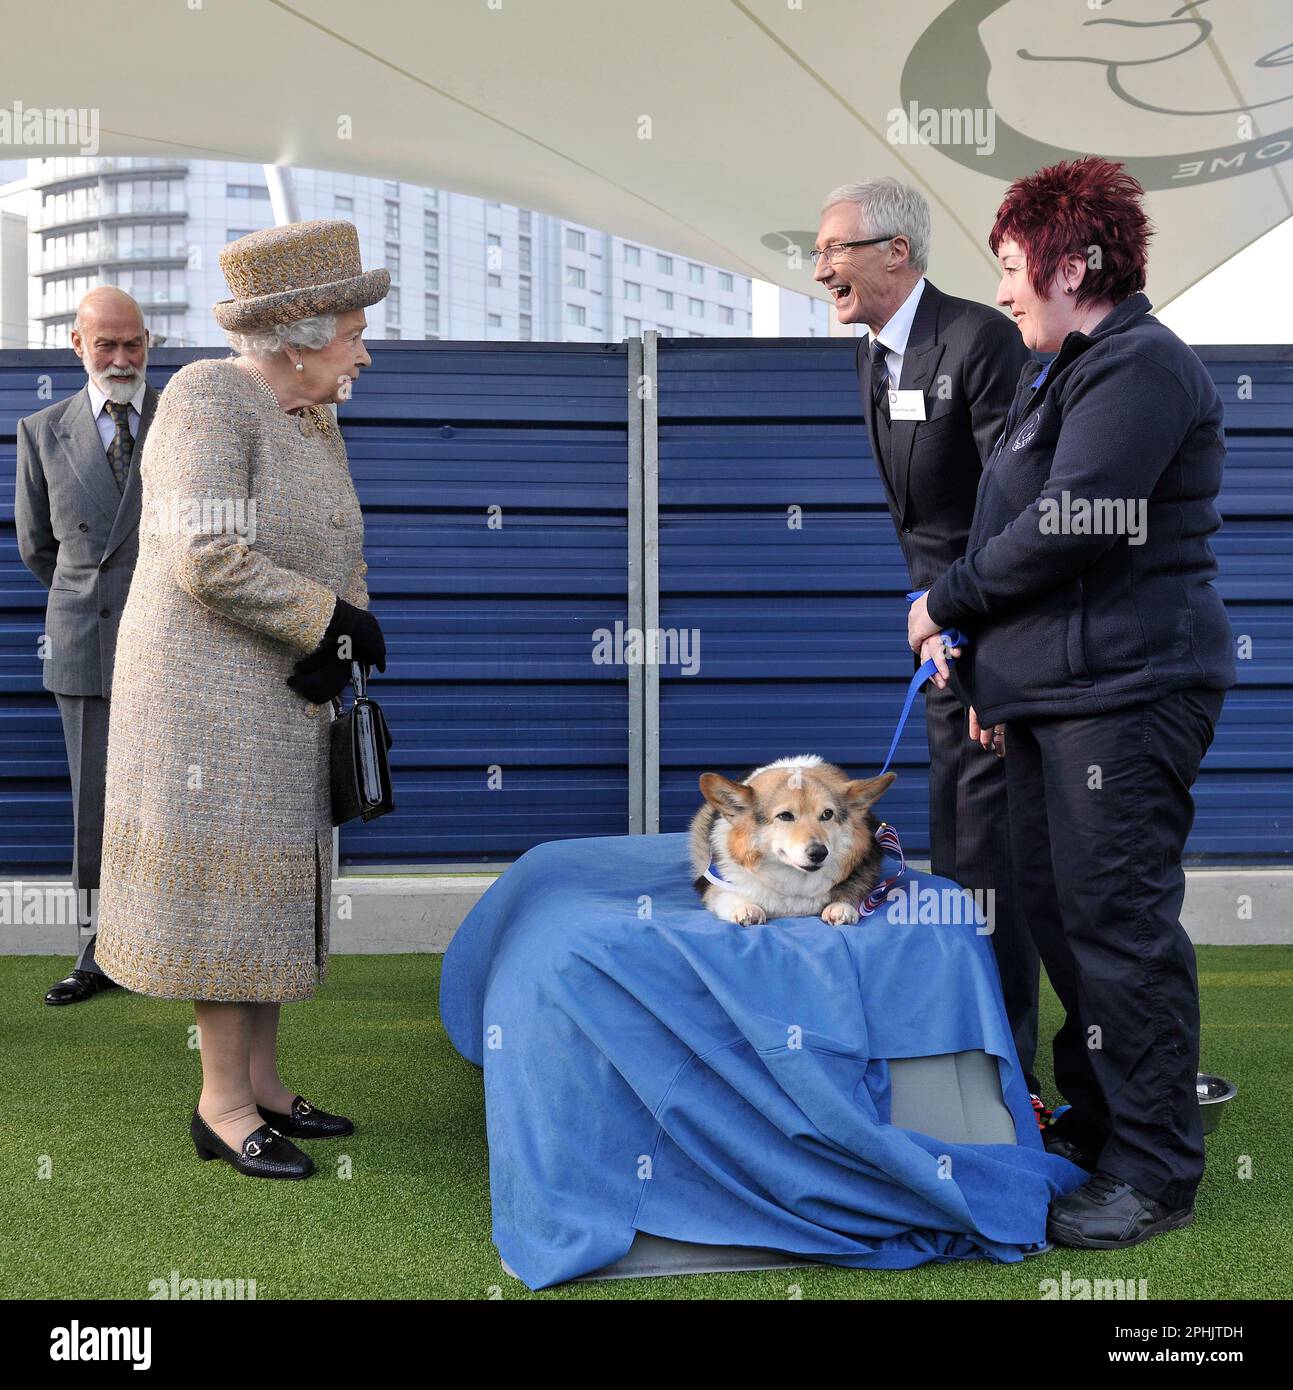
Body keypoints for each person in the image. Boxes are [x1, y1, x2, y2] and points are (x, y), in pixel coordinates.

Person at [909, 157, 1235, 1248]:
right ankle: (1101, 1123)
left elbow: (1074, 524)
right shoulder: (1069, 372)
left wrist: (945, 598)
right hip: (1063, 698)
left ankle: (1157, 1170)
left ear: (1072, 263)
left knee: (1116, 923)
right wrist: (998, 676)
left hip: (1131, 695)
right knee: (1058, 914)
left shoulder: (1141, 367)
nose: (1002, 292)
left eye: (1011, 268)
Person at [94, 220, 390, 1180]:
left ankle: (260, 1081)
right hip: (207, 698)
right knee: (230, 889)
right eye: (351, 328)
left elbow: (333, 546)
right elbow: (205, 555)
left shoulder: (312, 413)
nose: (363, 349)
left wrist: (339, 638)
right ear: (298, 335)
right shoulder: (208, 397)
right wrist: (329, 625)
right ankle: (219, 1106)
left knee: (272, 885)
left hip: (279, 685)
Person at [813, 179, 1044, 1113]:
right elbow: (923, 523)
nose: (821, 266)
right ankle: (963, 1060)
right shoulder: (873, 357)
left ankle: (1010, 1084)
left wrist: (973, 634)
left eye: (835, 248)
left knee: (990, 865)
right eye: (818, 249)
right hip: (942, 635)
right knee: (957, 856)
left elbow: (1014, 504)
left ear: (895, 253)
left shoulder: (977, 341)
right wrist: (927, 608)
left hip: (989, 640)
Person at [15, 288, 159, 1006]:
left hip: (173, 647)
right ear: (78, 345)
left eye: (133, 343)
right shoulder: (41, 430)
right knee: (94, 809)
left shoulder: (183, 423)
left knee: (175, 804)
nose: (122, 358)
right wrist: (91, 601)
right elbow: (38, 549)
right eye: (107, 344)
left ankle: (170, 949)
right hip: (86, 642)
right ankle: (96, 953)